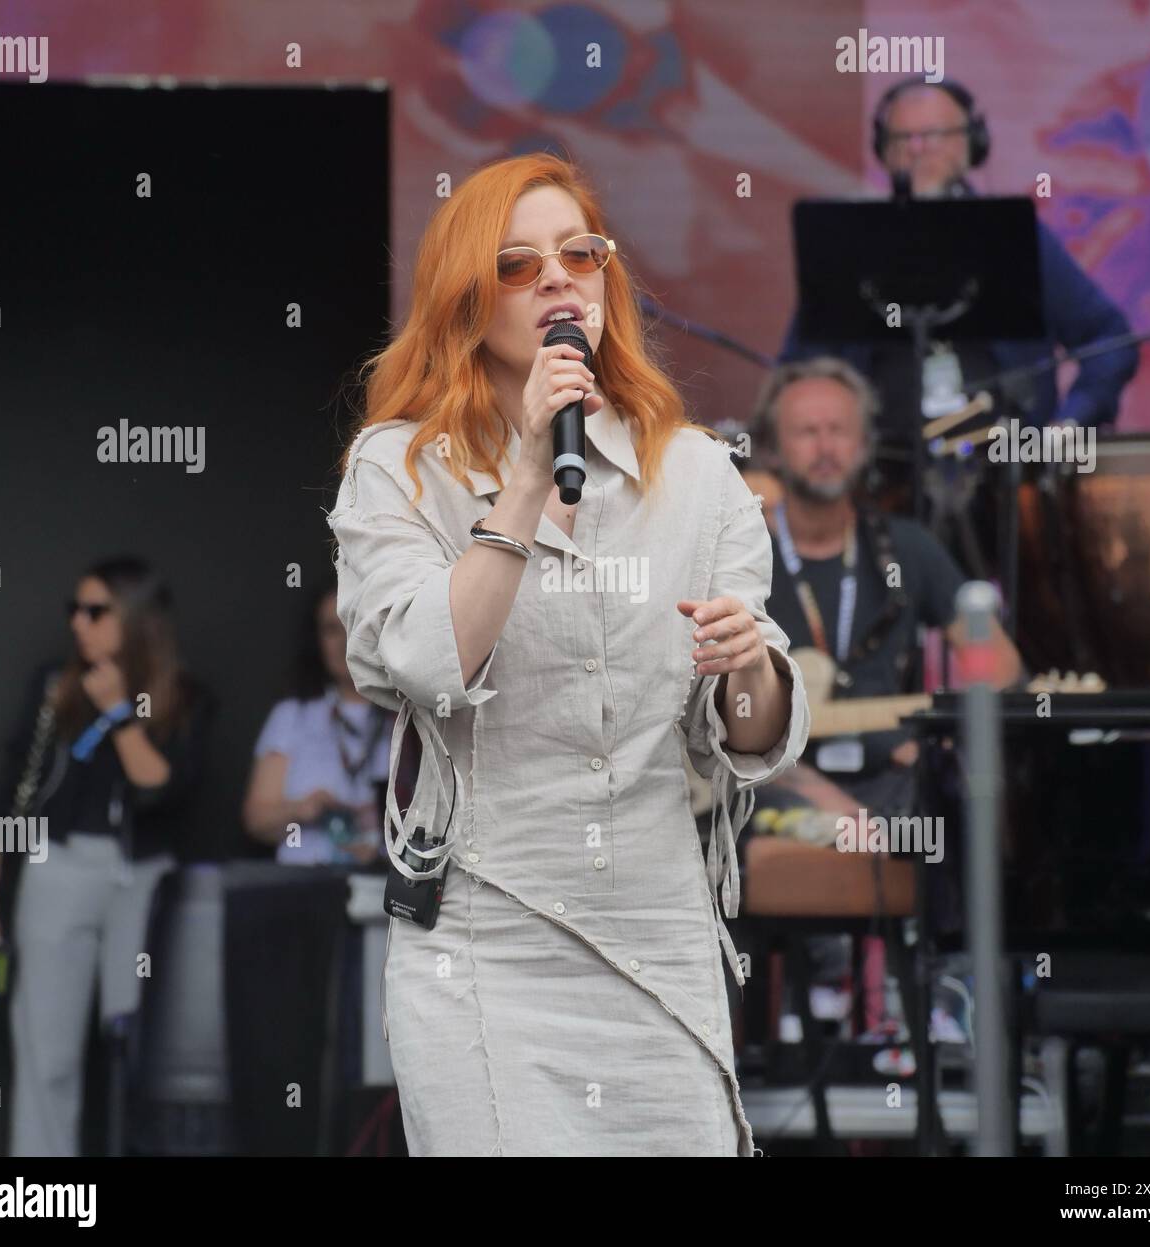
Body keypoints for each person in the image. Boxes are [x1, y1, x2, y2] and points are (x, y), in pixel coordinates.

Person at [326, 152, 810, 1157]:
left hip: (653, 936)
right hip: (483, 937)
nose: (558, 278)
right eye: (518, 263)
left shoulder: (699, 474)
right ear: (464, 295)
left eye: (578, 253)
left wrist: (747, 669)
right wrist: (529, 472)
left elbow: (747, 737)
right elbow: (422, 660)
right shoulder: (399, 467)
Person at [0, 556, 212, 1156]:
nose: (79, 623)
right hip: (58, 870)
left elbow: (161, 787)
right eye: (75, 610)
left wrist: (121, 711)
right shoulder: (54, 685)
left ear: (136, 618)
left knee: (139, 1050)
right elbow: (13, 791)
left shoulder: (184, 696)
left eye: (96, 611)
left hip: (143, 882)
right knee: (47, 1054)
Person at [779, 77, 1139, 442]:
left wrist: (1073, 422)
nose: (917, 149)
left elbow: (1109, 338)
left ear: (972, 144)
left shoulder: (1012, 236)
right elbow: (796, 371)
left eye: (933, 135)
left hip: (1007, 474)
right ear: (882, 151)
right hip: (877, 475)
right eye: (902, 138)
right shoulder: (850, 246)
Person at [750, 356, 1021, 824]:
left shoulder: (907, 548)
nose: (826, 446)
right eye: (807, 432)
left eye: (839, 430)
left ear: (864, 445)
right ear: (773, 449)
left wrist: (948, 738)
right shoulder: (741, 553)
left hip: (893, 784)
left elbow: (1000, 666)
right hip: (779, 781)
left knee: (951, 813)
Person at [243, 583, 418, 866]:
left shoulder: (409, 718)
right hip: (305, 888)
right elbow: (256, 820)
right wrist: (302, 809)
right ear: (317, 642)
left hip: (384, 887)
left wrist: (378, 821)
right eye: (330, 629)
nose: (343, 641)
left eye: (352, 624)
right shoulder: (291, 716)